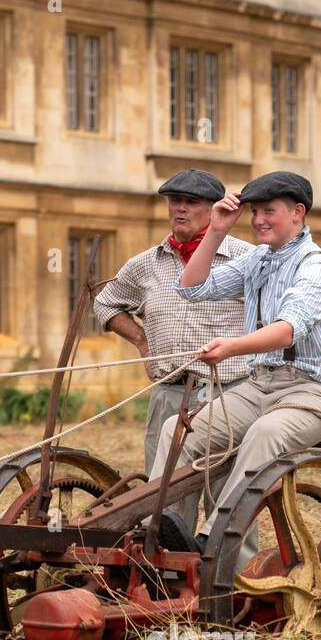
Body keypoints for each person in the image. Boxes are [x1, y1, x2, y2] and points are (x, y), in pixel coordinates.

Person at [147, 171, 321, 552]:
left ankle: (214, 541)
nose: (258, 220)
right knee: (177, 432)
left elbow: (287, 331)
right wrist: (215, 231)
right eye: (254, 211)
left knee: (265, 433)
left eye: (268, 211)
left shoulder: (317, 267)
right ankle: (159, 531)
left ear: (297, 212)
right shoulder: (258, 260)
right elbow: (192, 289)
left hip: (316, 392)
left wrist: (231, 347)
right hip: (261, 384)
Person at [93, 169, 255, 540]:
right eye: (174, 201)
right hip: (169, 394)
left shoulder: (247, 259)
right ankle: (168, 588)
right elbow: (105, 304)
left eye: (191, 202)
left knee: (228, 502)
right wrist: (142, 340)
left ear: (216, 209)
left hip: (229, 395)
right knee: (164, 505)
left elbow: (277, 318)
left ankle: (231, 589)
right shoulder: (146, 263)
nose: (180, 209)